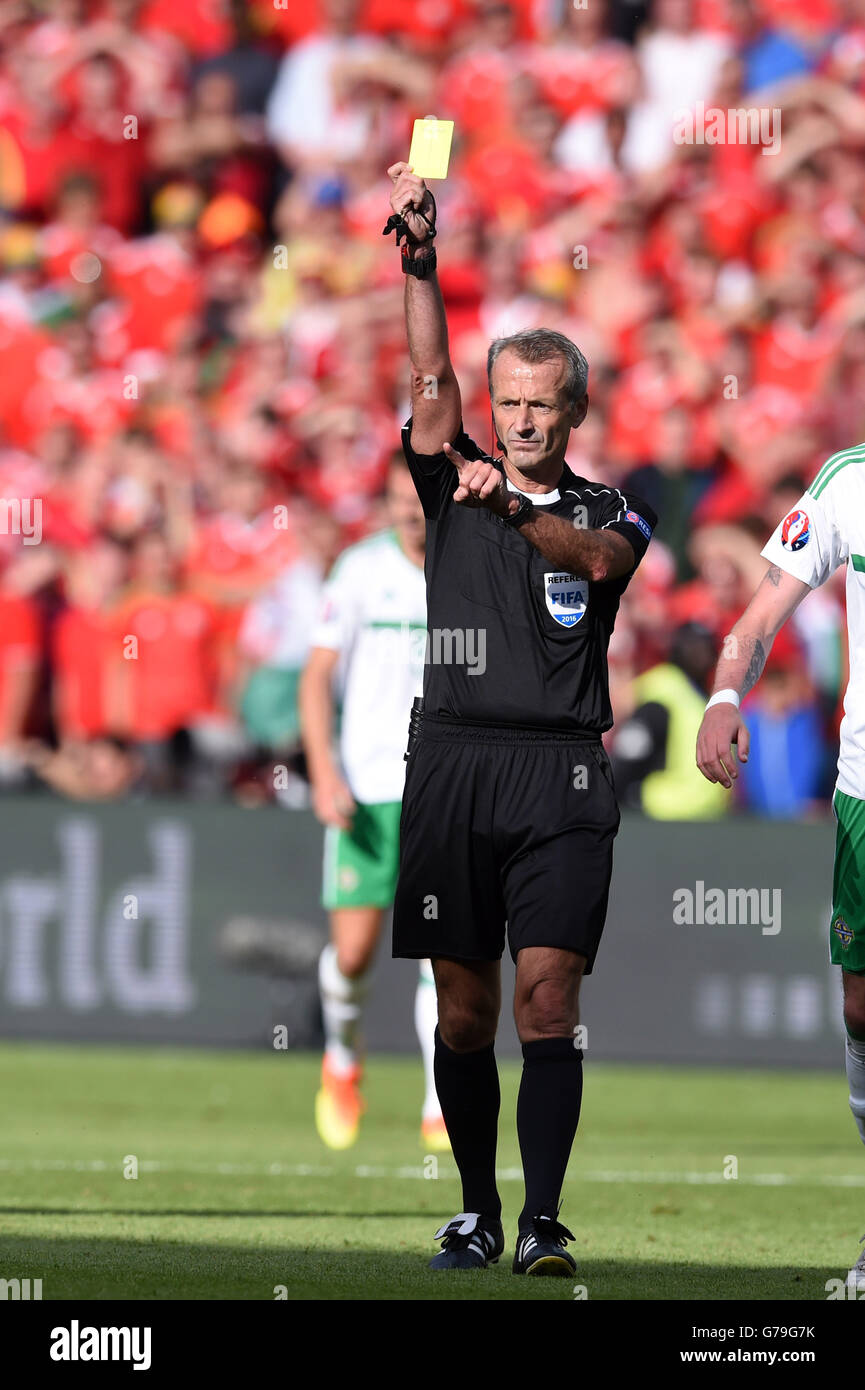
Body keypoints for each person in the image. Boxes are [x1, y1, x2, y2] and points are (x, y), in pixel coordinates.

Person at [386, 162, 656, 1275]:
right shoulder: (451, 474)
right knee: (461, 1012)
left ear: (575, 409)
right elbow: (423, 367)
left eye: (543, 404)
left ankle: (542, 1222)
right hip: (452, 760)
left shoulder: (612, 512)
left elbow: (591, 563)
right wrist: (418, 262)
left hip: (560, 776)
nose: (523, 421)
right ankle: (474, 1208)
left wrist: (521, 507)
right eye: (510, 402)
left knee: (548, 1000)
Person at [696, 452, 865, 1293]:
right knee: (861, 1003)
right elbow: (758, 619)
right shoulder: (847, 482)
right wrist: (725, 697)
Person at [299, 452, 448, 1152]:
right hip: (365, 790)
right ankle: (342, 1060)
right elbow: (315, 678)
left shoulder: (464, 569)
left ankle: (436, 1102)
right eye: (396, 499)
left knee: (437, 957)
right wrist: (324, 773)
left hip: (438, 792)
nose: (408, 511)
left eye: (416, 499)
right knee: (354, 954)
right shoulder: (359, 571)